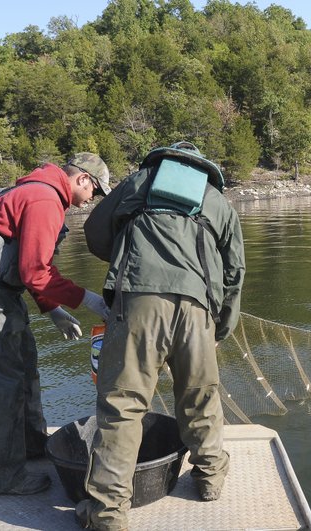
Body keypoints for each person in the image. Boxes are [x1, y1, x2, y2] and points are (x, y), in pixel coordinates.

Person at [75, 142, 245, 530]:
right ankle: (209, 480)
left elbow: (95, 234)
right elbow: (235, 271)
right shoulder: (216, 199)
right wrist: (221, 327)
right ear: (202, 166)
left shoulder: (136, 183)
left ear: (163, 160)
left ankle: (107, 515)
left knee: (122, 406)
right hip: (198, 309)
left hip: (137, 304)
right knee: (201, 395)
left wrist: (128, 247)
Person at [0, 153, 113, 496]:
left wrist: (53, 310)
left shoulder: (42, 191)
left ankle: (31, 445)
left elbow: (26, 266)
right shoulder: (45, 199)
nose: (92, 199)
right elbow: (37, 272)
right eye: (95, 190)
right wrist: (91, 301)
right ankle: (0, 476)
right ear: (82, 179)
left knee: (24, 363)